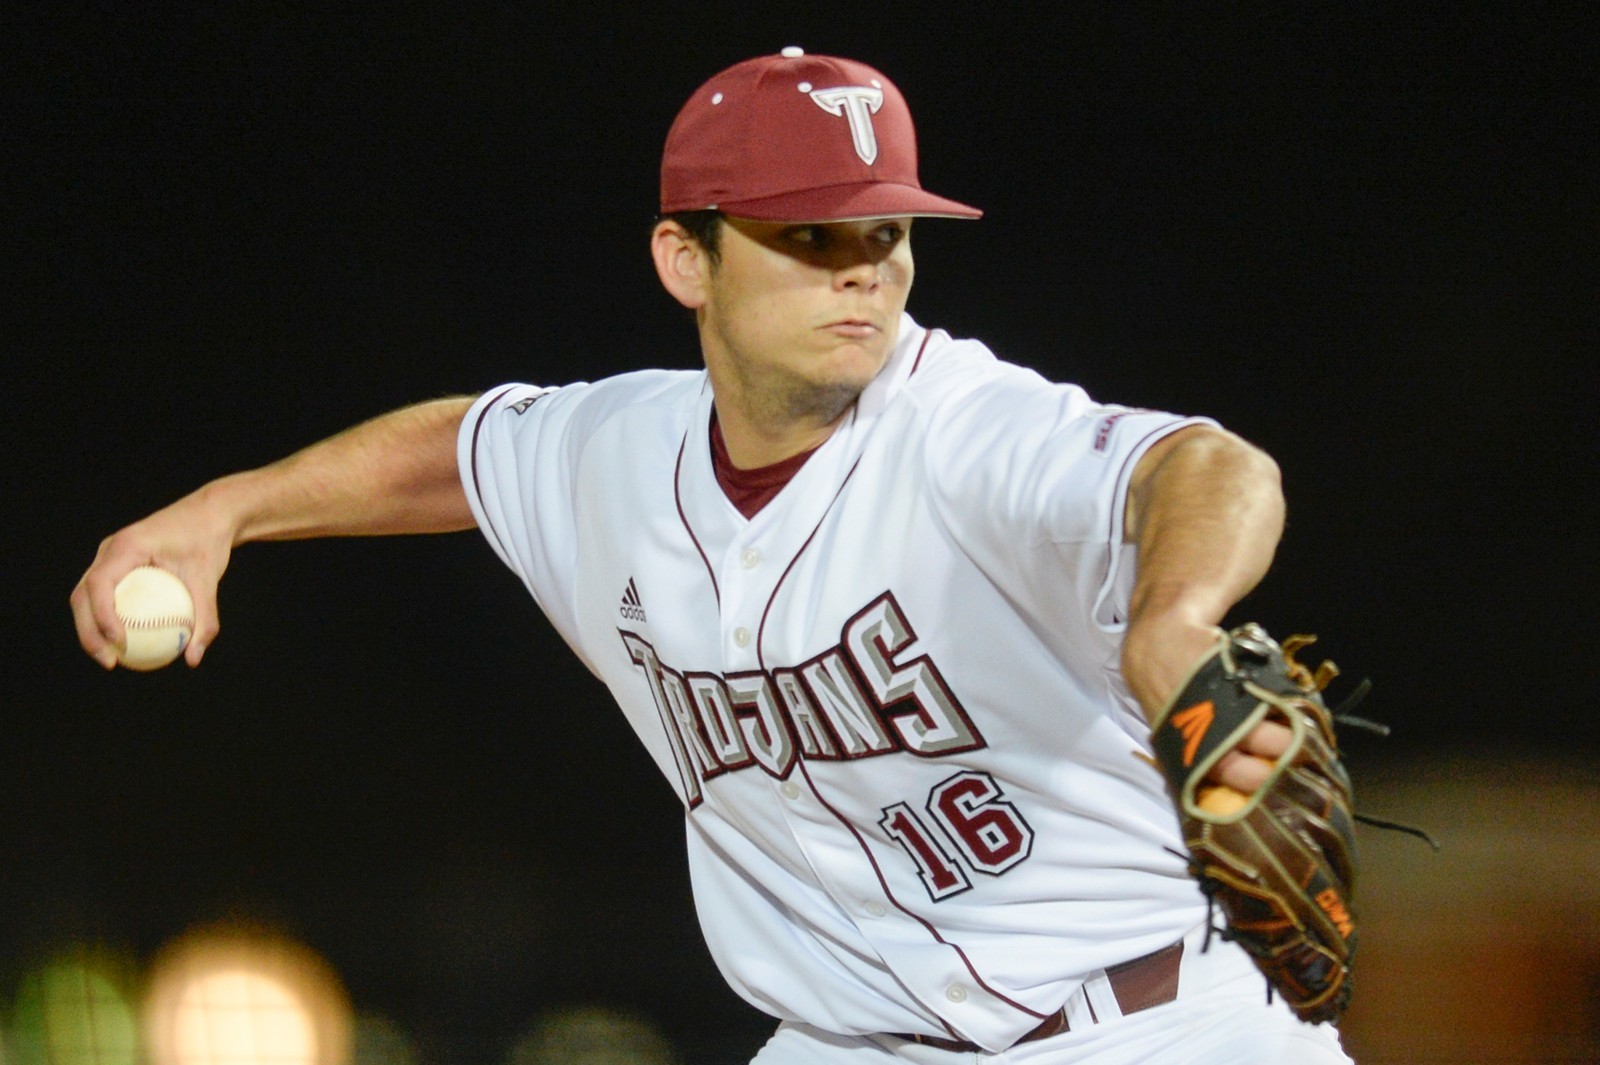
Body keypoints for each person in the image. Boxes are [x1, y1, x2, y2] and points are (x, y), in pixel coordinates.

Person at [72, 48, 1353, 1064]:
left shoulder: (966, 434)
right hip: (843, 1042)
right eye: (809, 238)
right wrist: (227, 511)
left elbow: (1208, 467)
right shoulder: (618, 454)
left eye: (885, 234)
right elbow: (455, 452)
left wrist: (1173, 618)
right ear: (685, 259)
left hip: (1148, 1028)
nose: (861, 274)